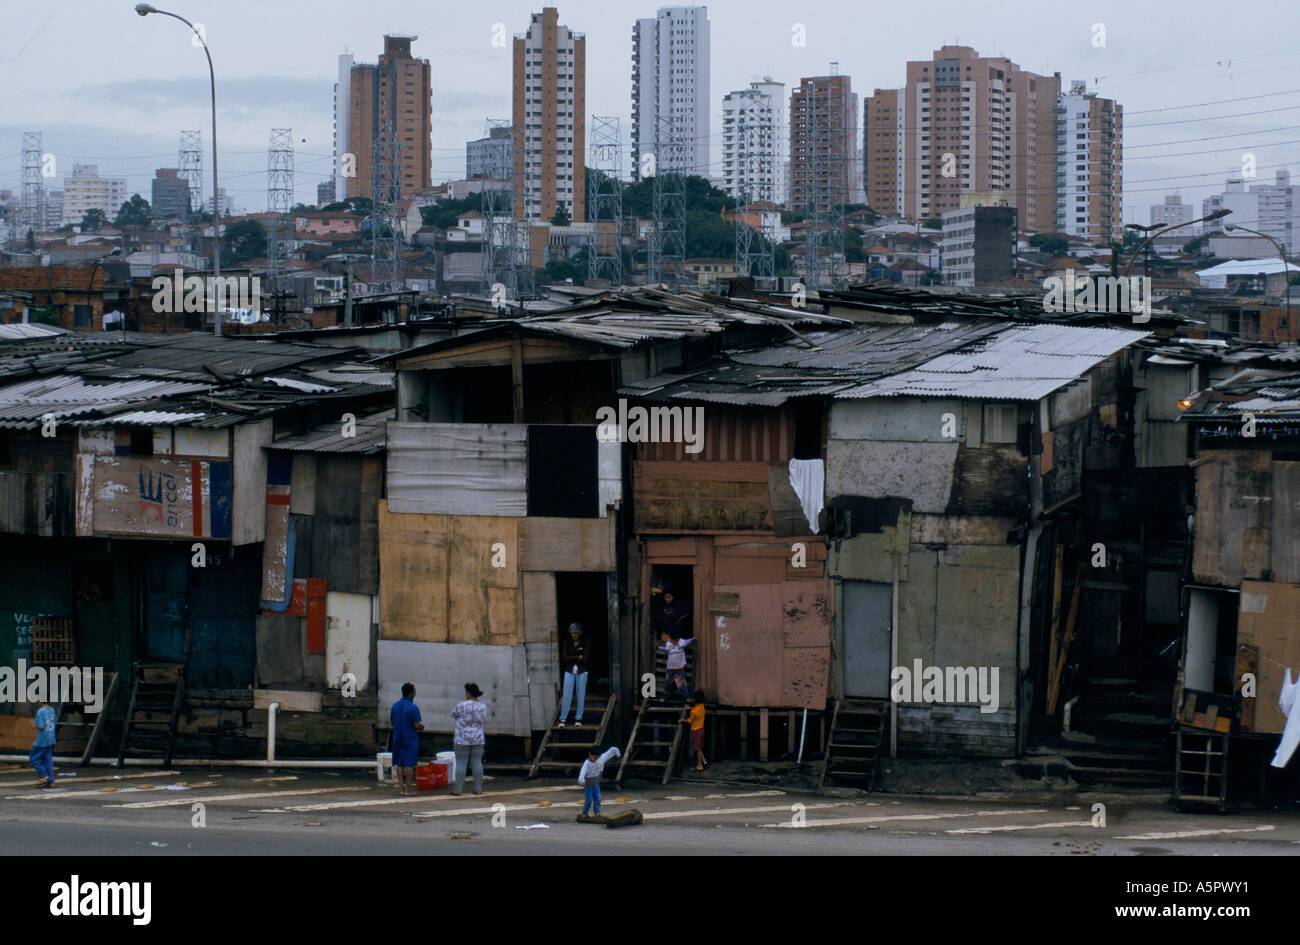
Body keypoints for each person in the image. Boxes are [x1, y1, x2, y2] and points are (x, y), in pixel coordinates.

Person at [451, 682, 487, 796]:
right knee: (477, 762)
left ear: (469, 693)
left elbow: (453, 715)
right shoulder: (482, 706)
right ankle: (478, 789)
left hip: (462, 738)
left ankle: (458, 790)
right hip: (478, 738)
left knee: (461, 763)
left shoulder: (461, 705)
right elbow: (483, 719)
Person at [389, 683, 425, 797]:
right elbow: (416, 725)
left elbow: (392, 722)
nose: (415, 693)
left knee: (399, 763)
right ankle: (408, 789)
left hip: (397, 737)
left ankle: (401, 789)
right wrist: (421, 727)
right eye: (414, 691)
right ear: (411, 693)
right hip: (410, 738)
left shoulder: (395, 706)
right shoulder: (413, 708)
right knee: (409, 763)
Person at [576, 745, 621, 822]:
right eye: (594, 757)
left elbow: (612, 750)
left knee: (598, 798)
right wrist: (582, 781)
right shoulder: (587, 763)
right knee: (589, 800)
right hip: (588, 785)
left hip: (596, 783)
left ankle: (597, 813)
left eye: (597, 757)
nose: (596, 759)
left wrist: (618, 754)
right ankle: (584, 813)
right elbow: (582, 774)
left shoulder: (601, 758)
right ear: (589, 754)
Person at [558, 622, 588, 728]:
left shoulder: (584, 643)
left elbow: (585, 658)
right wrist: (577, 657)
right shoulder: (567, 643)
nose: (573, 635)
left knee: (581, 695)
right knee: (567, 695)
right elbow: (565, 658)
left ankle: (579, 718)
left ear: (579, 633)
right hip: (569, 671)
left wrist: (572, 656)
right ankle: (563, 719)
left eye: (575, 633)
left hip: (582, 671)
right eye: (572, 633)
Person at [659, 630, 694, 702]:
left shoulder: (682, 642)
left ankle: (687, 697)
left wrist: (693, 638)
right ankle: (665, 697)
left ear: (678, 639)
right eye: (673, 640)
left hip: (679, 667)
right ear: (671, 639)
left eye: (676, 640)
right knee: (668, 683)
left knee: (681, 684)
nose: (675, 642)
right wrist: (659, 647)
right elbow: (666, 649)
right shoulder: (668, 644)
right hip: (670, 667)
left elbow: (688, 641)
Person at [30, 700, 56, 789]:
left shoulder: (41, 711)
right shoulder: (52, 710)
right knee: (47, 760)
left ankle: (44, 776)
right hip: (51, 737)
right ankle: (51, 781)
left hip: (42, 739)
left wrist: (33, 726)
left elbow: (41, 726)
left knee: (33, 757)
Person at [683, 695, 708, 771]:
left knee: (697, 748)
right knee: (699, 747)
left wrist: (681, 720)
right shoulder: (702, 706)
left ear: (695, 700)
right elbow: (696, 710)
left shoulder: (694, 711)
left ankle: (699, 766)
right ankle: (704, 761)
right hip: (701, 728)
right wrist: (690, 708)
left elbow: (690, 721)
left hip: (696, 730)